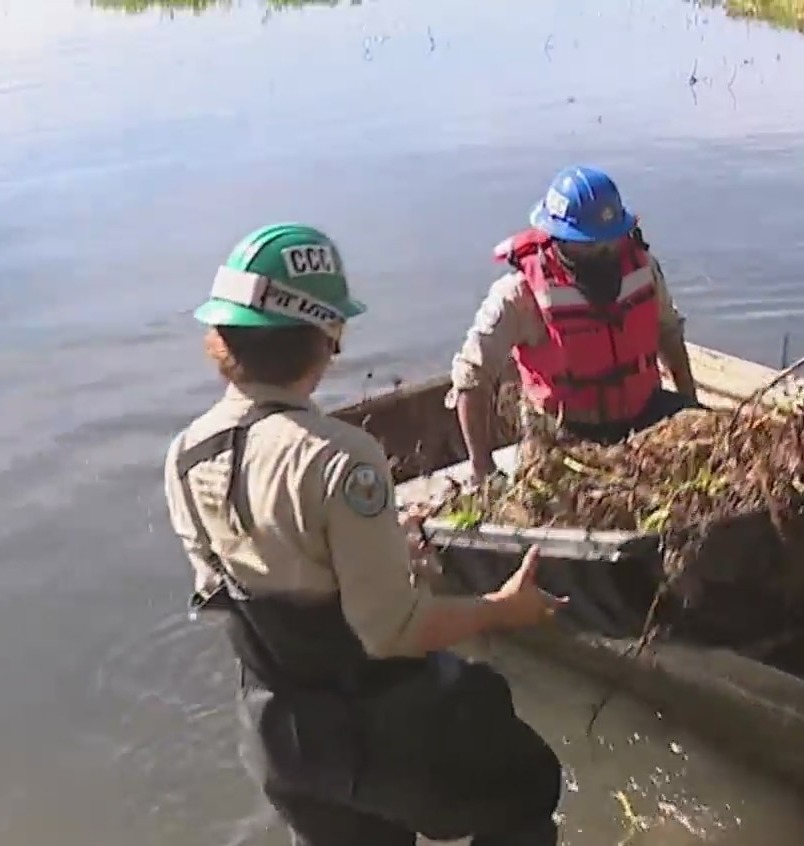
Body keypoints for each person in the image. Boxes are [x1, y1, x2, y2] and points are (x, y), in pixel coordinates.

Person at [163, 222, 568, 846]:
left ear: (223, 337)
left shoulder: (185, 456)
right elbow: (390, 631)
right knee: (525, 790)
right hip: (377, 727)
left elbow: (254, 580)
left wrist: (378, 550)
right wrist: (500, 609)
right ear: (328, 337)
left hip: (281, 738)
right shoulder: (341, 458)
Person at [448, 165, 701, 481]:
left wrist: (690, 405)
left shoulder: (642, 269)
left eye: (609, 240)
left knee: (713, 447)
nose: (603, 251)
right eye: (589, 243)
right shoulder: (519, 294)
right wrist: (482, 468)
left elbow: (669, 334)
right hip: (564, 433)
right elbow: (471, 376)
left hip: (643, 414)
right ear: (559, 238)